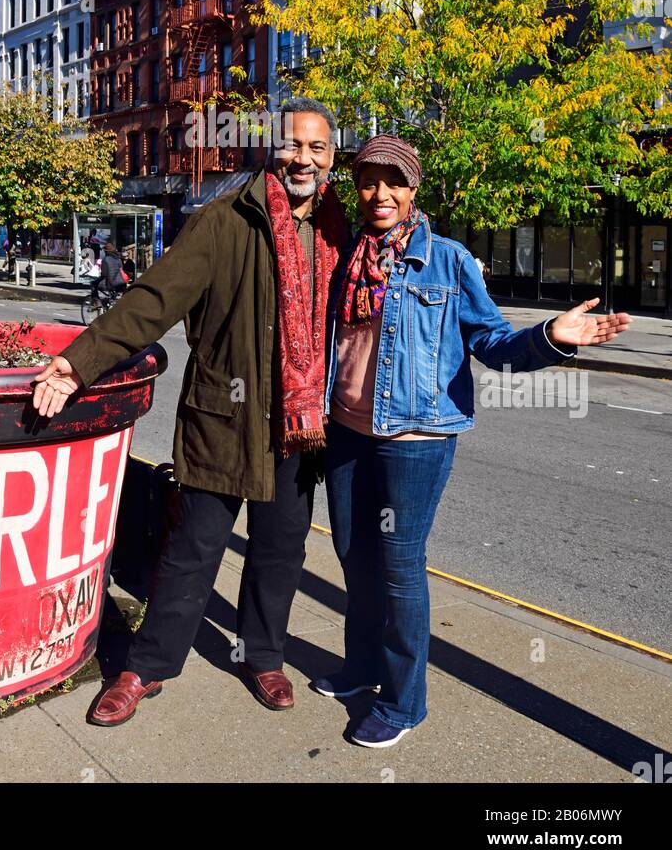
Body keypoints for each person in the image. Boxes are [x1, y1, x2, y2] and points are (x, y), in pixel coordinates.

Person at [32, 99, 351, 726]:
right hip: (222, 419)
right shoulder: (225, 220)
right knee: (190, 550)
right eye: (293, 145)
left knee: (280, 551)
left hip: (301, 426)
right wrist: (80, 361)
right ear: (272, 149)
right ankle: (144, 669)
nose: (303, 158)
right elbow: (155, 299)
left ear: (332, 157)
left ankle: (262, 656)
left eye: (316, 148)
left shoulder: (342, 230)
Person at [314, 134, 632, 749]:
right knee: (355, 556)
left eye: (394, 182)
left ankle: (405, 703)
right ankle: (363, 669)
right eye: (368, 181)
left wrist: (554, 337)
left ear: (413, 190)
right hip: (348, 430)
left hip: (418, 435)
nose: (380, 194)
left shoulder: (449, 261)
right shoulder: (346, 253)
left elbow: (492, 344)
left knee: (400, 567)